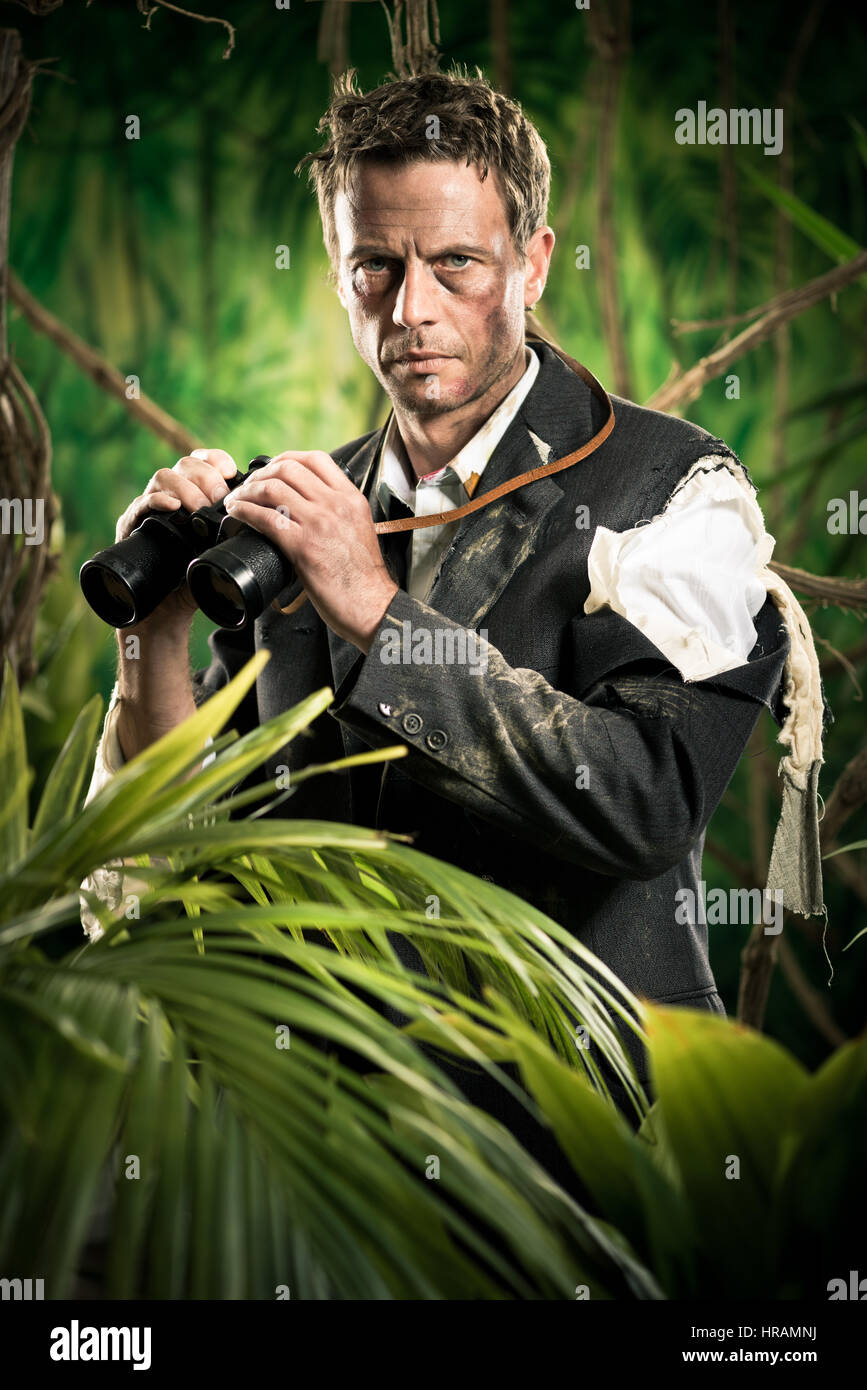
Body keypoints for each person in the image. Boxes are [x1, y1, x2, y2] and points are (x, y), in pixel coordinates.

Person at [80, 68, 828, 1151]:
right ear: (338, 275)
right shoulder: (308, 509)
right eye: (373, 267)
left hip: (579, 1153)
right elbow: (180, 851)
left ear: (531, 261)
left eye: (456, 264)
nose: (411, 309)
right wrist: (147, 641)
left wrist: (380, 615)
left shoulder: (673, 490)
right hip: (331, 1150)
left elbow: (648, 803)